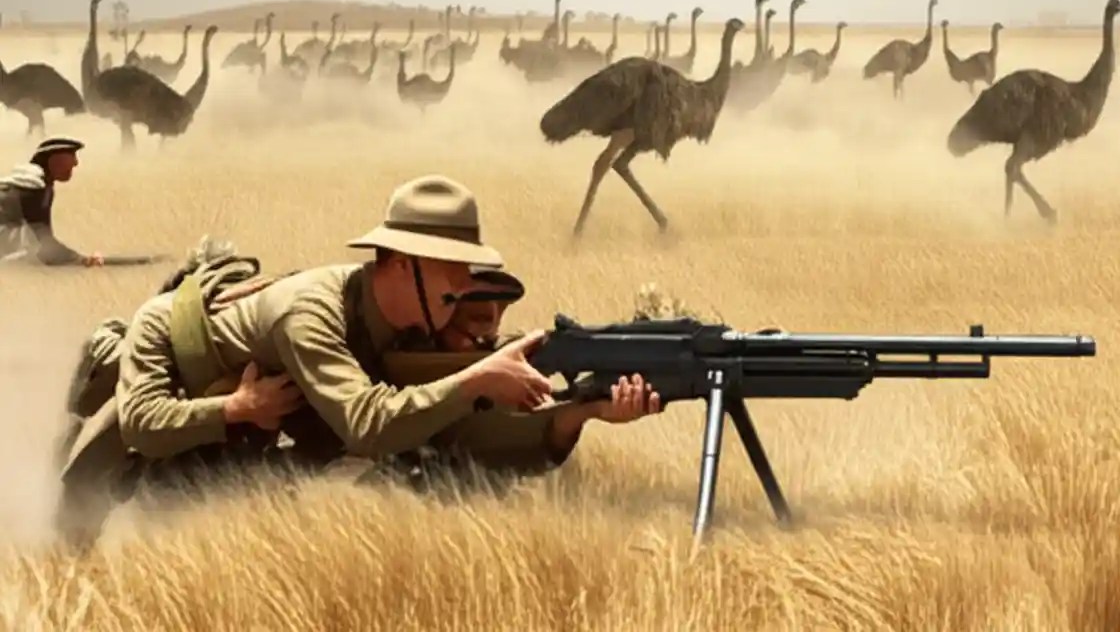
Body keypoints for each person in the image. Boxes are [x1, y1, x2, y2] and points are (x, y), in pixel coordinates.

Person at [92, 174, 659, 489]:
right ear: (398, 262)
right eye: (449, 281)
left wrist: (576, 414)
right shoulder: (309, 314)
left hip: (250, 431)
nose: (461, 297)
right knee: (95, 475)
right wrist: (237, 409)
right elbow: (369, 425)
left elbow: (454, 434)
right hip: (170, 352)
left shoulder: (401, 324)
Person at [0, 137, 105, 266]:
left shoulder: (41, 186)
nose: (75, 163)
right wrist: (80, 260)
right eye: (71, 156)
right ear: (54, 160)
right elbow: (42, 241)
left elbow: (44, 238)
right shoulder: (32, 189)